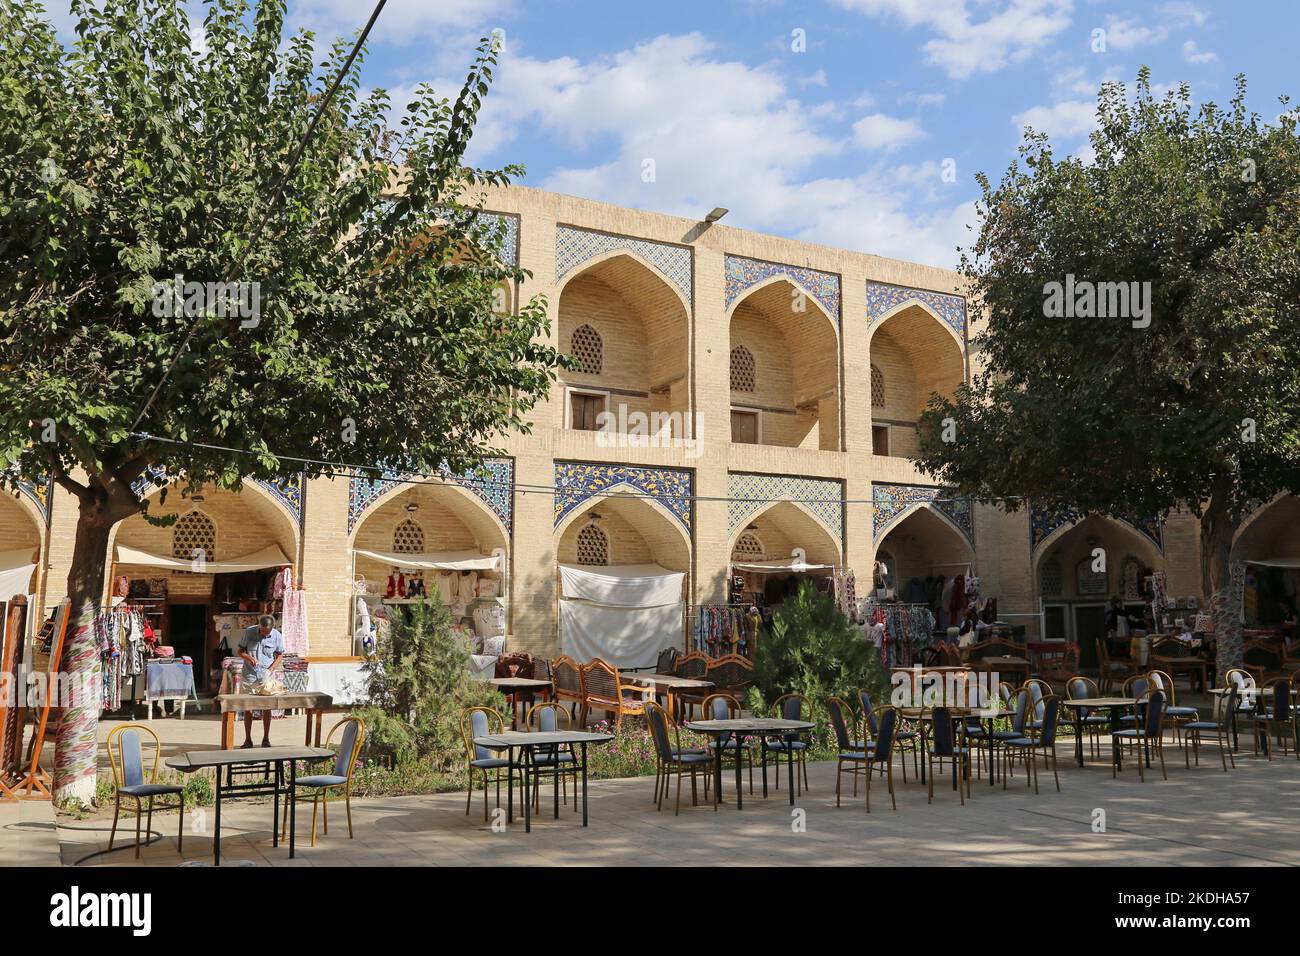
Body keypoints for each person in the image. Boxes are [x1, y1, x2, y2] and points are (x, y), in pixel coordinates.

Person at [238, 614, 285, 748]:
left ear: (272, 628)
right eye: (262, 631)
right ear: (259, 626)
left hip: (266, 676)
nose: (264, 634)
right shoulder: (249, 632)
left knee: (267, 707)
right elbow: (240, 651)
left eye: (267, 632)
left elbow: (279, 655)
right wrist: (249, 658)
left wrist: (270, 670)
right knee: (248, 708)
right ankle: (248, 740)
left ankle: (266, 739)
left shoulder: (276, 636)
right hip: (250, 675)